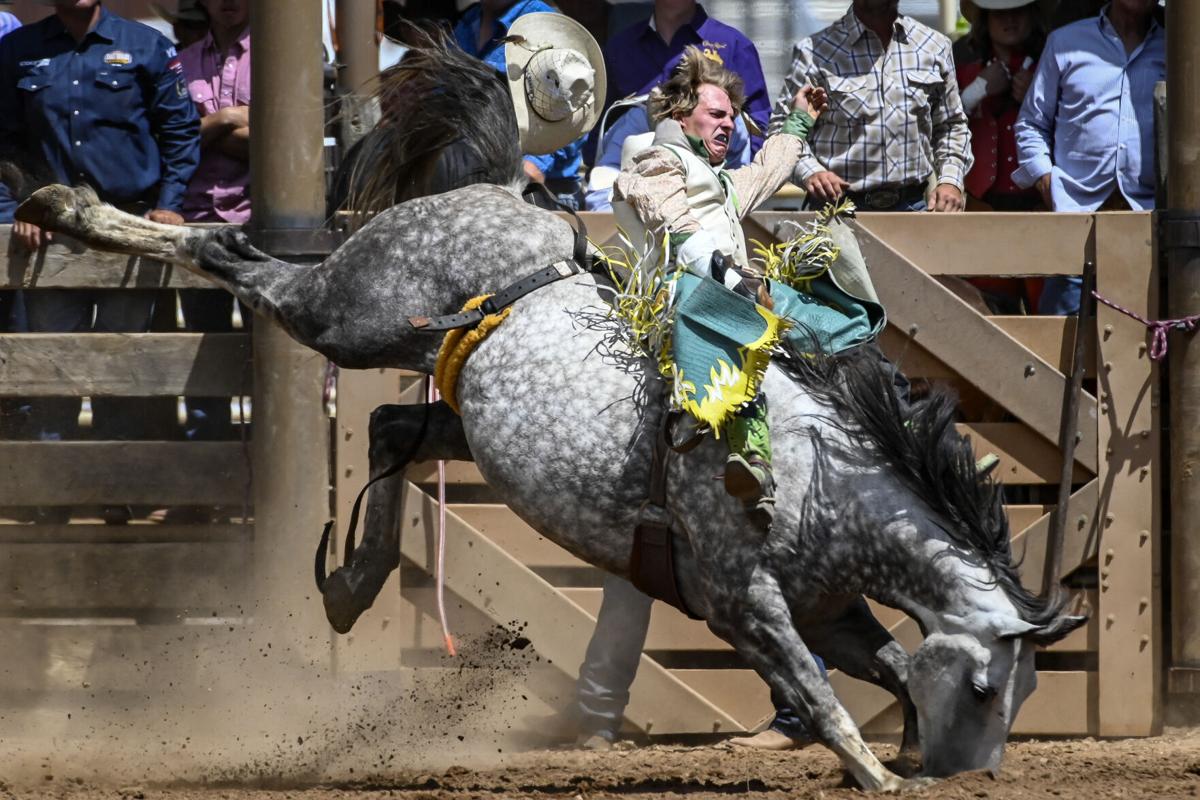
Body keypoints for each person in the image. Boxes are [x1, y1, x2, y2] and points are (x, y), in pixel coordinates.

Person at [0, 0, 199, 521]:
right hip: (52, 232)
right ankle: (51, 492)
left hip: (127, 227)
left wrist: (169, 204)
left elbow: (179, 130)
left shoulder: (147, 46)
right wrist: (27, 202)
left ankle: (118, 487)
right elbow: (5, 140)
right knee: (51, 368)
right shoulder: (17, 50)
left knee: (124, 365)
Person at [1012, 0, 1164, 314]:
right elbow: (1031, 122)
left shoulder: (1178, 48)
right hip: (1075, 212)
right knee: (1060, 342)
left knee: (1148, 335)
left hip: (1152, 217)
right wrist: (1044, 178)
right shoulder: (1065, 42)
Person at [769, 0, 973, 213]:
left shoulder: (934, 46)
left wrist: (950, 181)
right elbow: (781, 130)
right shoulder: (815, 52)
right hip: (836, 211)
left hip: (913, 209)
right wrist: (811, 172)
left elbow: (951, 126)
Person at [176, 0, 250, 448]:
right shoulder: (179, 63)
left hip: (259, 222)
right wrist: (227, 119)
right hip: (198, 219)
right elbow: (174, 140)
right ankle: (209, 459)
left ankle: (268, 458)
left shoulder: (280, 58)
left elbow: (283, 138)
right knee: (203, 347)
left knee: (273, 346)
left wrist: (203, 130)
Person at [954, 0, 1049, 314]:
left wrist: (1037, 98)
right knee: (987, 316)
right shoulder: (962, 70)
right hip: (983, 212)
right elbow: (938, 128)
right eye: (999, 11)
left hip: (1041, 212)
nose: (1010, 19)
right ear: (985, 19)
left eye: (1018, 10)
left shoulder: (1052, 68)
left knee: (1047, 314)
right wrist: (978, 89)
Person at [591, 0, 770, 159]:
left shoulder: (735, 46)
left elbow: (758, 130)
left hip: (714, 188)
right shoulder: (619, 48)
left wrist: (729, 181)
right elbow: (598, 130)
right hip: (629, 184)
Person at [455, 0, 589, 209]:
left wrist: (536, 163)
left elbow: (574, 106)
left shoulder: (542, 23)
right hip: (475, 180)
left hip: (541, 188)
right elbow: (446, 94)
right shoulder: (466, 24)